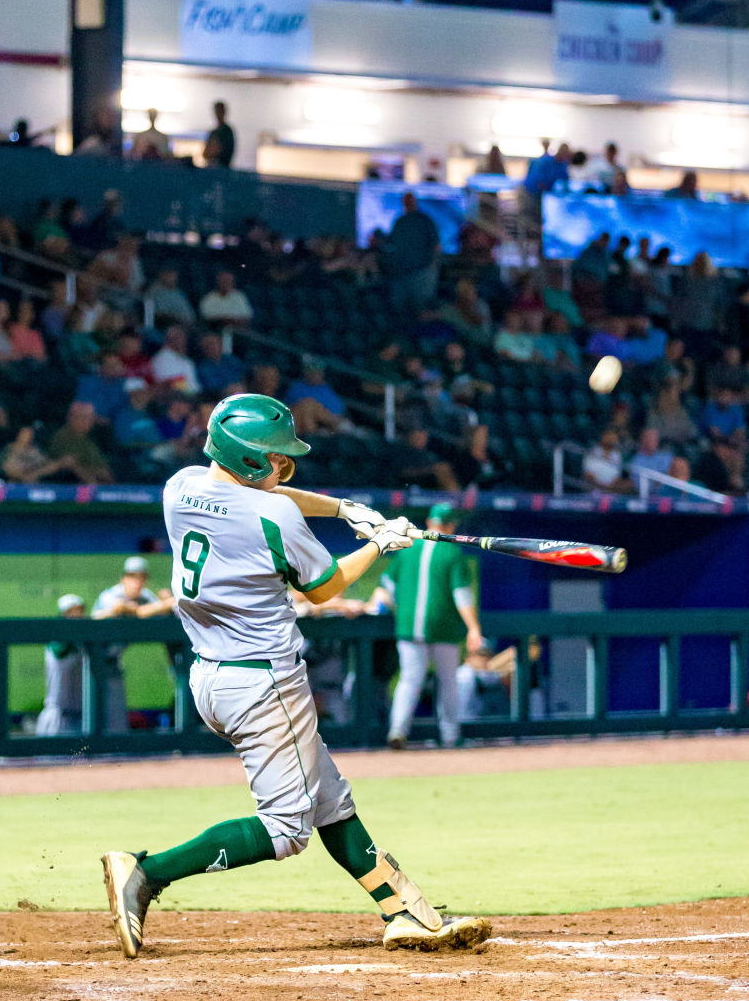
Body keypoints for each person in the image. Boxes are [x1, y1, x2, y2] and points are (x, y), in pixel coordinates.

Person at [100, 394, 490, 958]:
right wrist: (379, 545)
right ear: (250, 459)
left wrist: (343, 509)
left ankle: (406, 912)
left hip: (212, 678)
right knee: (285, 829)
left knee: (330, 799)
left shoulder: (180, 486)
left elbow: (259, 497)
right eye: (276, 458)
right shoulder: (274, 516)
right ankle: (146, 871)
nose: (284, 466)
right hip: (266, 683)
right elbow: (325, 587)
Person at [373, 503, 483, 750]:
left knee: (409, 680)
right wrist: (474, 628)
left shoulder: (407, 550)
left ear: (430, 523)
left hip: (408, 626)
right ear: (451, 526)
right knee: (448, 682)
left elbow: (386, 587)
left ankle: (397, 730)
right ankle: (450, 736)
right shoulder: (452, 552)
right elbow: (462, 595)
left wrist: (383, 606)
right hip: (443, 626)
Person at [91, 556, 174, 733]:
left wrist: (166, 603)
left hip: (111, 663)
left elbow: (162, 611)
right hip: (88, 663)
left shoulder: (145, 596)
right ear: (123, 578)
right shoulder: (111, 595)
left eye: (141, 577)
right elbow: (132, 610)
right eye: (132, 576)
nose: (137, 581)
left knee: (116, 725)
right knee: (88, 718)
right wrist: (165, 603)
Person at [36, 593, 90, 736]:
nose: (76, 615)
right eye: (71, 612)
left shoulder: (85, 641)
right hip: (58, 715)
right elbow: (60, 650)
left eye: (79, 611)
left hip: (82, 714)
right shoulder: (57, 640)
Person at [385, 192, 440, 316]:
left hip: (421, 273)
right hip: (401, 273)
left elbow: (435, 245)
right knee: (400, 312)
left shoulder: (425, 220)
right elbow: (391, 243)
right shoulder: (400, 221)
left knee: (421, 310)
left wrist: (431, 268)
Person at [47, 402, 114, 484]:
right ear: (71, 418)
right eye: (84, 417)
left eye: (91, 417)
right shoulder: (63, 437)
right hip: (69, 485)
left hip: (99, 485)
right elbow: (70, 464)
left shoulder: (88, 439)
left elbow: (103, 469)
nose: (90, 421)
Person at [203, 100, 236, 168]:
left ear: (224, 112)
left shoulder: (226, 131)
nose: (218, 113)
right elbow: (205, 153)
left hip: (221, 169)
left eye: (220, 111)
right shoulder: (214, 132)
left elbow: (214, 151)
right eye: (217, 111)